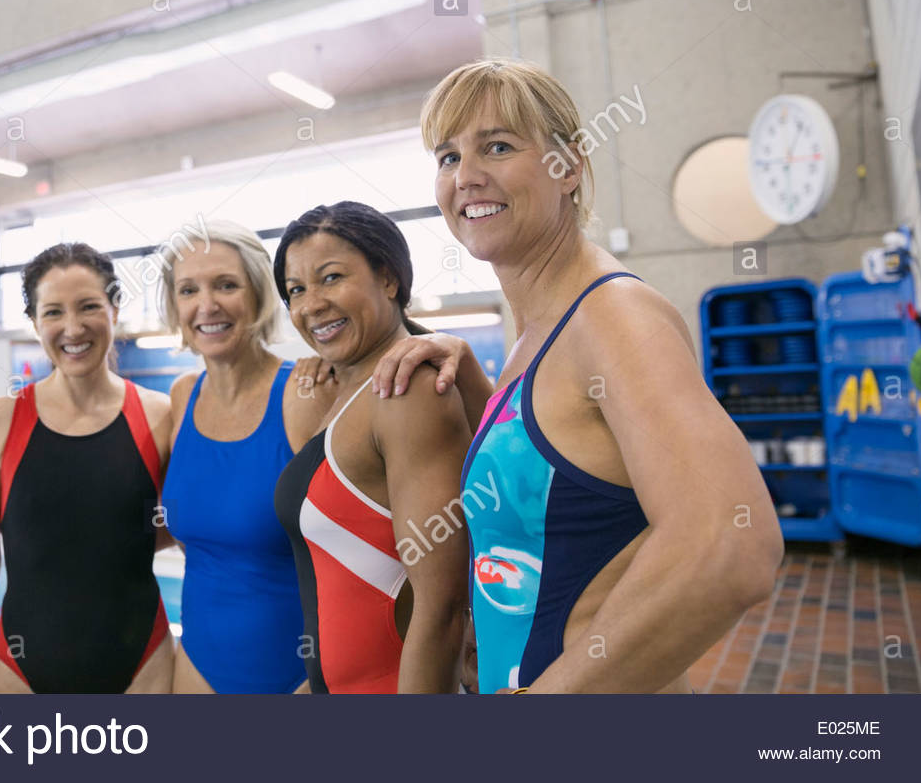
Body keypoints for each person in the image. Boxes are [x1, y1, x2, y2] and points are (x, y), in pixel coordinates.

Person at [372, 58, 784, 693]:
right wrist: (477, 379)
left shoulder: (616, 317)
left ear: (569, 168)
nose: (467, 177)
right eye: (447, 157)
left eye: (498, 147)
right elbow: (567, 474)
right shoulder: (545, 329)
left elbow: (733, 547)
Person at [0, 242, 174, 693]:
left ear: (115, 309)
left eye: (89, 306)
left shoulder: (161, 416)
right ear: (34, 323)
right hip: (21, 669)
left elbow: (190, 529)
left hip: (143, 665)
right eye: (53, 312)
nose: (72, 328)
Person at [272, 201, 474, 693]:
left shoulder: (408, 394)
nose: (310, 304)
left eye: (331, 277)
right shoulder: (343, 394)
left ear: (389, 279)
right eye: (296, 290)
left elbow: (442, 604)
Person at [158, 221, 335, 693]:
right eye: (188, 290)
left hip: (299, 676)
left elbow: (362, 551)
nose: (206, 305)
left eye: (226, 285)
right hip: (195, 667)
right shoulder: (181, 398)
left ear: (258, 295)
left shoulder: (306, 393)